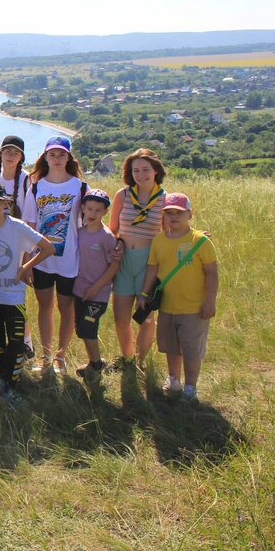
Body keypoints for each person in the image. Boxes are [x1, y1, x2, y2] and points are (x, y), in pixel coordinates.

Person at [0, 183, 55, 404]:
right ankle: (3, 381)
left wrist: (25, 268)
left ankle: (12, 388)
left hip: (13, 297)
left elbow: (48, 248)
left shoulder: (17, 227)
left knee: (16, 343)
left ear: (6, 204)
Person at [139, 193, 219, 401]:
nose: (173, 217)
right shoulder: (159, 240)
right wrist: (144, 294)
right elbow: (152, 270)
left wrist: (210, 300)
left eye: (178, 213)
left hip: (194, 308)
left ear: (189, 215)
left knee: (191, 351)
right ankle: (174, 380)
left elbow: (212, 272)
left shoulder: (200, 241)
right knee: (171, 347)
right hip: (167, 306)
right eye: (169, 213)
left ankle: (191, 387)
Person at [21, 136, 86, 375]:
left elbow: (89, 223)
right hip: (43, 261)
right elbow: (29, 226)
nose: (57, 159)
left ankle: (61, 355)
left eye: (61, 154)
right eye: (52, 154)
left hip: (70, 259)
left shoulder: (80, 187)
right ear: (45, 157)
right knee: (44, 307)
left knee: (66, 308)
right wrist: (26, 262)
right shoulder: (36, 187)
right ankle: (46, 355)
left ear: (68, 157)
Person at [110, 148, 168, 366]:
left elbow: (169, 233)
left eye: (145, 169)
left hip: (148, 263)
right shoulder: (122, 195)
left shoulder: (164, 199)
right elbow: (113, 228)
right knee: (120, 318)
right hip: (124, 261)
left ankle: (141, 362)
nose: (141, 174)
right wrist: (114, 245)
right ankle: (127, 358)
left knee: (146, 317)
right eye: (136, 170)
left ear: (155, 171)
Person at [0, 135, 36, 360]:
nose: (11, 155)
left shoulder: (28, 181)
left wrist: (27, 258)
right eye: (7, 151)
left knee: (16, 298)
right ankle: (1, 343)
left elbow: (29, 220)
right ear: (0, 154)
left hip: (18, 249)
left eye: (16, 152)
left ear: (21, 157)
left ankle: (26, 343)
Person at [72, 189, 123, 381]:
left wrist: (96, 287)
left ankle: (96, 365)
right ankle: (93, 361)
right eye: (89, 209)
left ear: (105, 212)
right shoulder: (78, 233)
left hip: (98, 293)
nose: (92, 214)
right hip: (79, 290)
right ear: (83, 208)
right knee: (81, 329)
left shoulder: (106, 236)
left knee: (87, 327)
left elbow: (114, 265)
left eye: (98, 210)